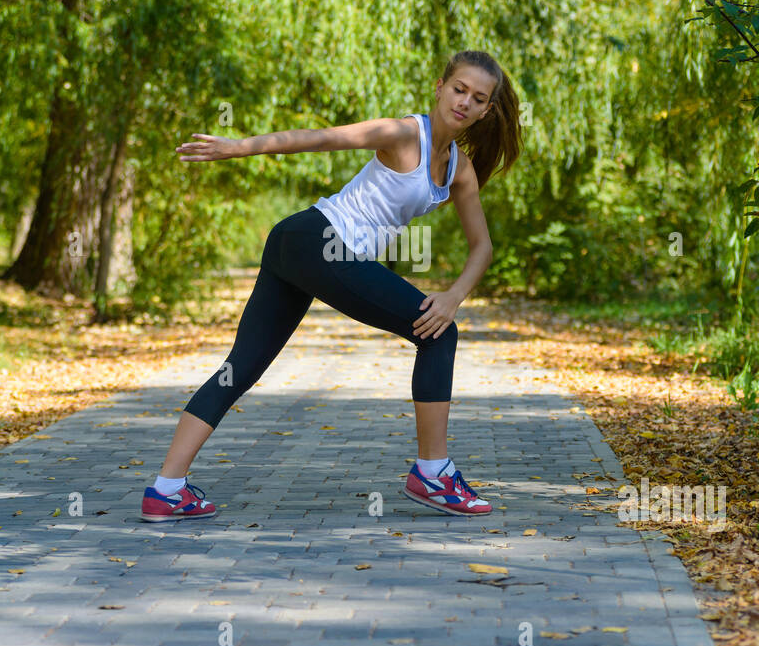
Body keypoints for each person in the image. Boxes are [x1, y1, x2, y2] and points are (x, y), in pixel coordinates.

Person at [142, 50, 521, 521]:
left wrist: (453, 296)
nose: (464, 101)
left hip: (299, 244)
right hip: (319, 240)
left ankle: (166, 489)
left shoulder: (459, 170)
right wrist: (236, 147)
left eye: (477, 98)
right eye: (459, 89)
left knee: (240, 367)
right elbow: (320, 139)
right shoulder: (405, 133)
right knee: (438, 333)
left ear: (486, 110)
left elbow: (482, 247)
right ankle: (432, 474)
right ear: (439, 86)